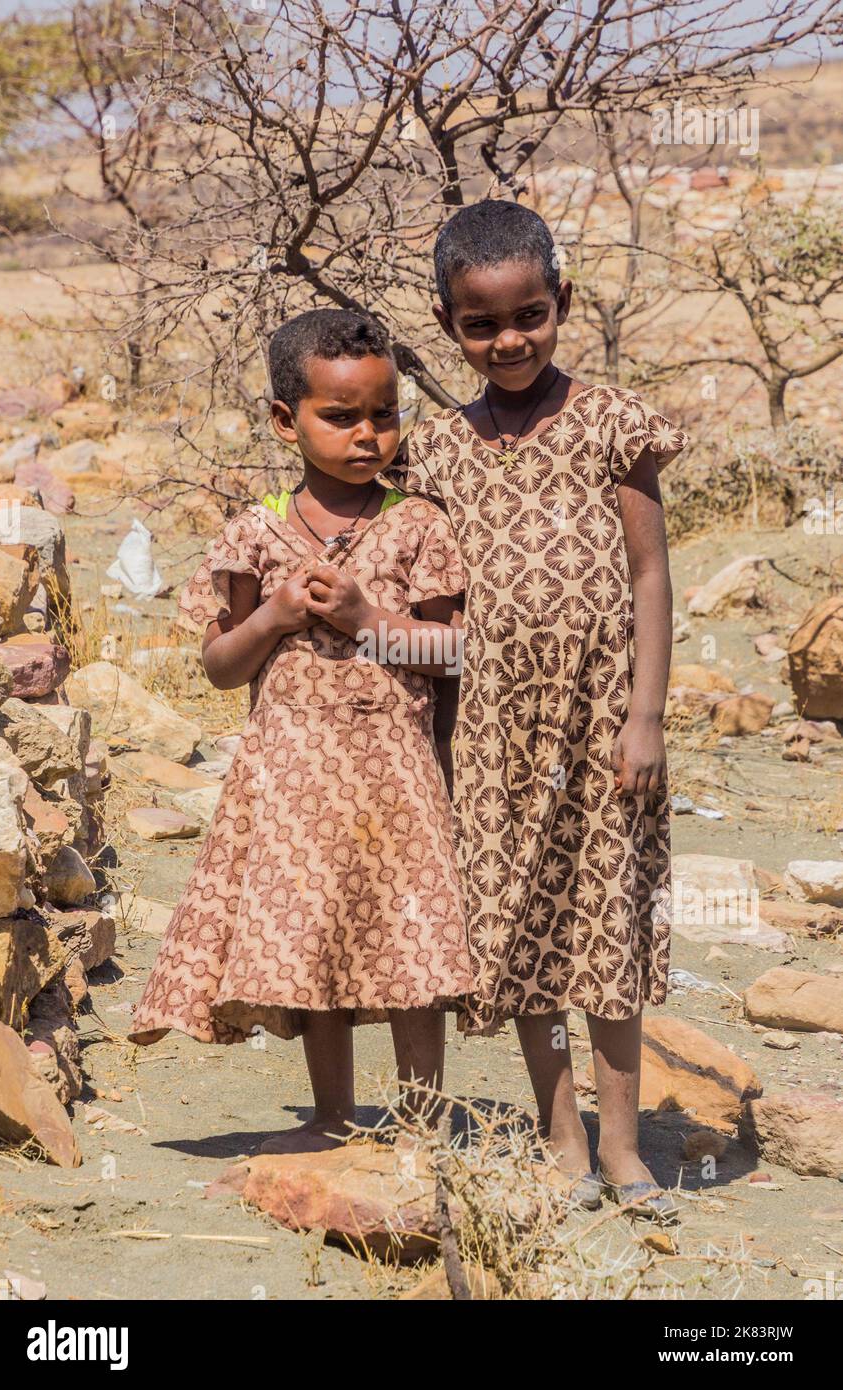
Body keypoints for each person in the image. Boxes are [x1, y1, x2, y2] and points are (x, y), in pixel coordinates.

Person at [383, 200, 688, 1218]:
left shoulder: (609, 420)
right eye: (480, 324)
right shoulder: (434, 451)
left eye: (528, 316)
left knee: (610, 920)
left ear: (561, 302)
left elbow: (648, 577)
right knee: (525, 933)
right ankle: (557, 1134)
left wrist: (644, 716)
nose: (507, 340)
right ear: (447, 324)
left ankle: (622, 1144)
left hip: (605, 720)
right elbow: (415, 595)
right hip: (494, 734)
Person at [130, 308, 472, 1154]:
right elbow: (220, 667)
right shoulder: (254, 535)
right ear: (287, 421)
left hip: (396, 778)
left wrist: (366, 617)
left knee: (408, 949)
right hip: (290, 787)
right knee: (319, 946)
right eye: (341, 416)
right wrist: (276, 616)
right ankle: (330, 1118)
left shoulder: (419, 524)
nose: (368, 434)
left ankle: (422, 1121)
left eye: (384, 414)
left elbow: (453, 652)